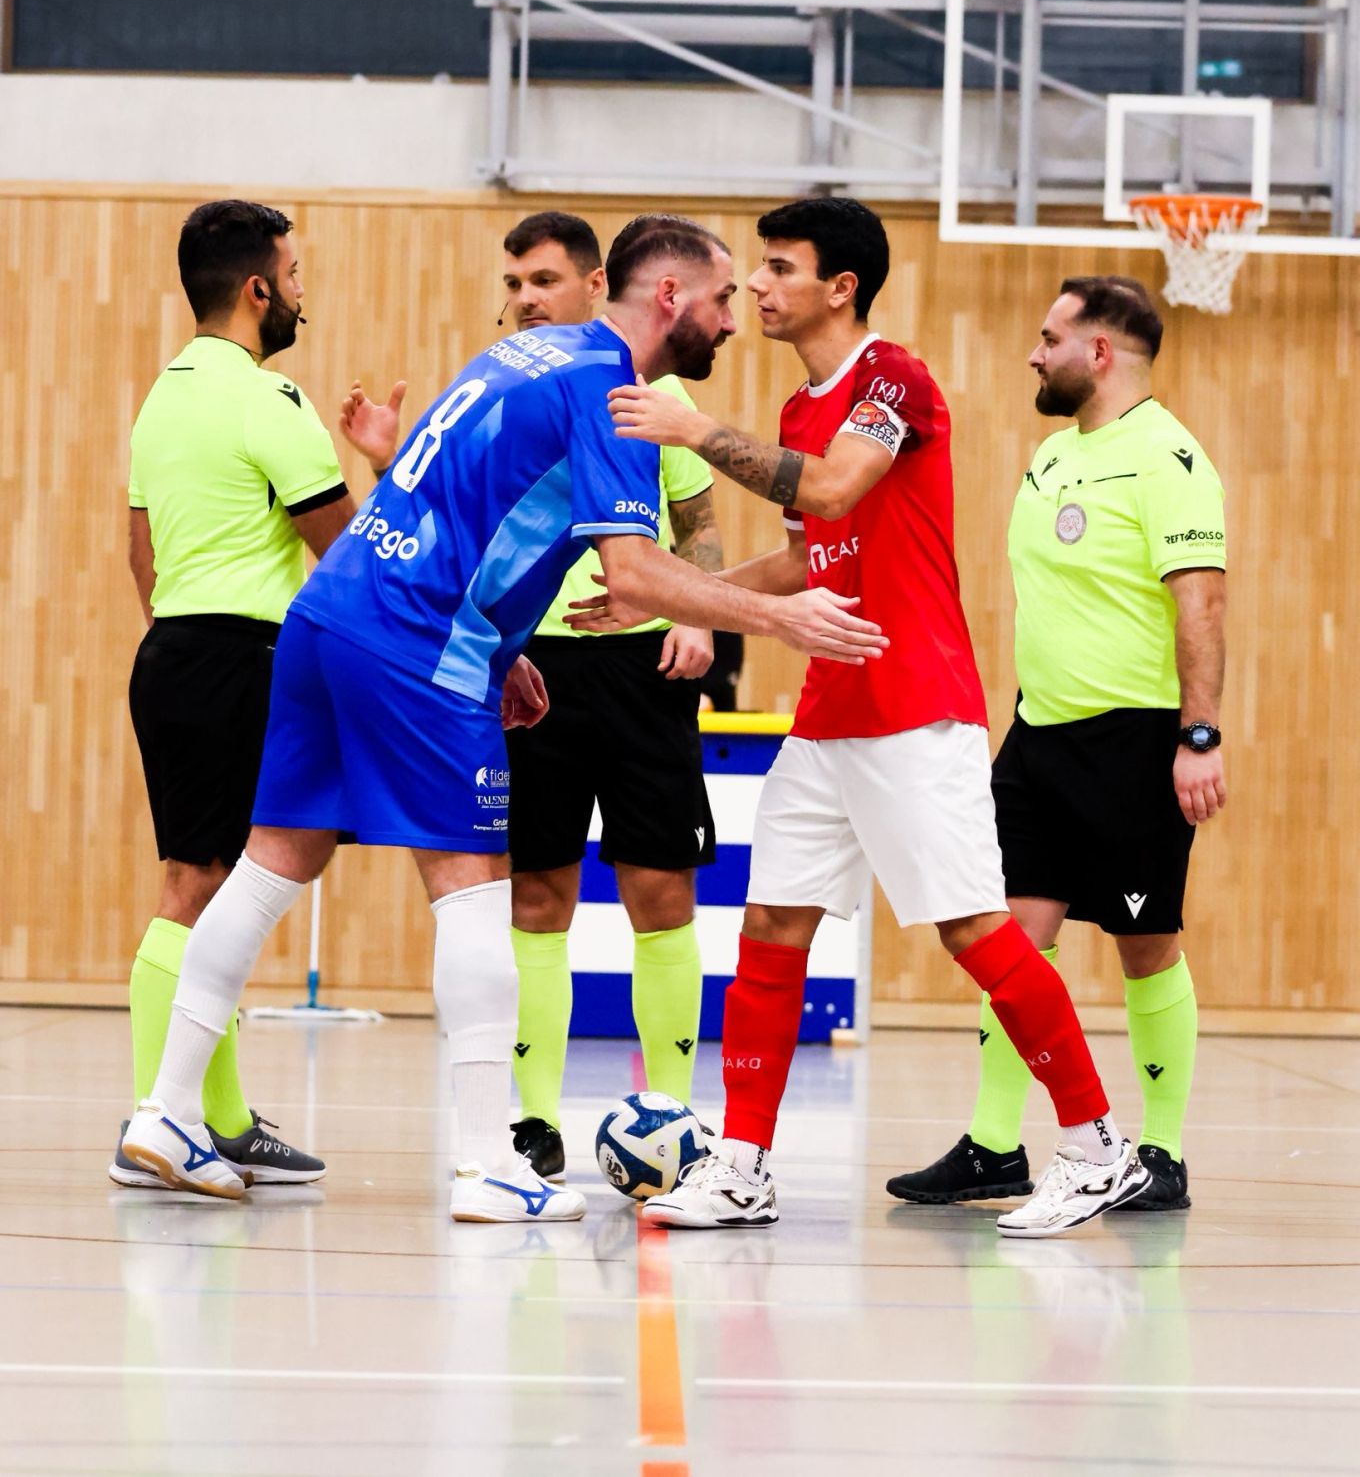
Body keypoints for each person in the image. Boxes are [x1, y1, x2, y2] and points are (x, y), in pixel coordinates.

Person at [121, 214, 886, 1224]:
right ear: (669, 298)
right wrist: (779, 615)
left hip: (330, 617)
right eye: (718, 300)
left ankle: (167, 1109)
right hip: (417, 649)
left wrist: (503, 644)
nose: (731, 319)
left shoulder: (521, 355)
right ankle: (490, 1165)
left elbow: (445, 506)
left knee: (269, 865)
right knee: (475, 890)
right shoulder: (608, 387)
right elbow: (635, 572)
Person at [604, 197, 1149, 1235]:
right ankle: (744, 1164)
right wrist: (670, 594)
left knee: (974, 928)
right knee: (771, 925)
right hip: (829, 713)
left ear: (840, 285)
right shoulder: (799, 410)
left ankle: (1095, 1147)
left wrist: (694, 429)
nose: (757, 285)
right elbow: (806, 556)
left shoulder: (893, 376)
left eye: (779, 266)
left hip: (915, 703)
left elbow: (837, 489)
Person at [343, 209, 725, 1181]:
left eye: (544, 281)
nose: (523, 299)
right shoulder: (505, 384)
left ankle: (672, 1115)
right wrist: (385, 460)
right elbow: (451, 520)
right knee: (537, 891)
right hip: (526, 670)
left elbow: (697, 521)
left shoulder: (654, 393)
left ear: (598, 287)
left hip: (641, 669)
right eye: (513, 284)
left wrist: (700, 617)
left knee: (660, 890)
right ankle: (534, 1121)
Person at [887, 276, 1225, 1213]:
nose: (1034, 354)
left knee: (1145, 945)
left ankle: (1163, 1152)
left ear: (1099, 351)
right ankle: (996, 1146)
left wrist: (1199, 735)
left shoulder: (1169, 459)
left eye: (1050, 338)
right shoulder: (1051, 455)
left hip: (1134, 741)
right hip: (1037, 737)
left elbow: (1202, 603)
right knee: (1008, 942)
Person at [115, 200, 355, 1190]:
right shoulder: (271, 399)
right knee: (205, 889)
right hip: (239, 658)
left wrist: (188, 632)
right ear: (258, 289)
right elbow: (350, 553)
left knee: (201, 882)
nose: (300, 294)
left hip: (172, 649)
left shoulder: (161, 398)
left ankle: (210, 1116)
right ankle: (163, 1121)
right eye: (292, 277)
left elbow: (142, 554)